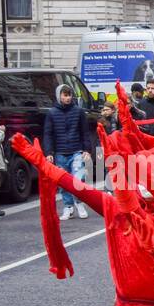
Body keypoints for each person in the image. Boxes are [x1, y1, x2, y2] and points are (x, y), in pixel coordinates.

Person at [42, 84, 92, 220]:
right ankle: (68, 207)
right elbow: (48, 134)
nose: (68, 98)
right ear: (59, 96)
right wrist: (49, 153)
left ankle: (79, 203)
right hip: (59, 152)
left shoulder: (79, 112)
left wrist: (87, 150)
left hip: (76, 150)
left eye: (69, 95)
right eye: (65, 95)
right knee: (63, 182)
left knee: (77, 179)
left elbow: (85, 132)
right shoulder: (52, 113)